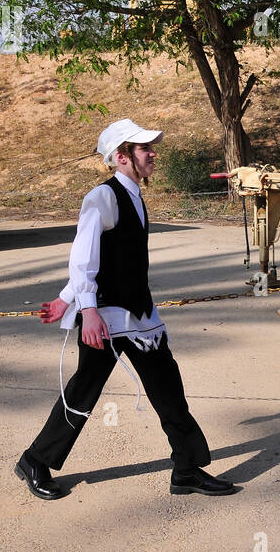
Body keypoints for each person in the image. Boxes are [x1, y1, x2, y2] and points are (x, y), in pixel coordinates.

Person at [15, 119, 238, 499]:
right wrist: (87, 311)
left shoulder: (134, 194)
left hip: (141, 316)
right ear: (121, 157)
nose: (153, 154)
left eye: (151, 147)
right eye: (144, 148)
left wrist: (65, 298)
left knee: (168, 389)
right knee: (84, 391)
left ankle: (186, 469)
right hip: (105, 318)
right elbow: (83, 259)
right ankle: (35, 460)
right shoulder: (102, 197)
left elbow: (105, 258)